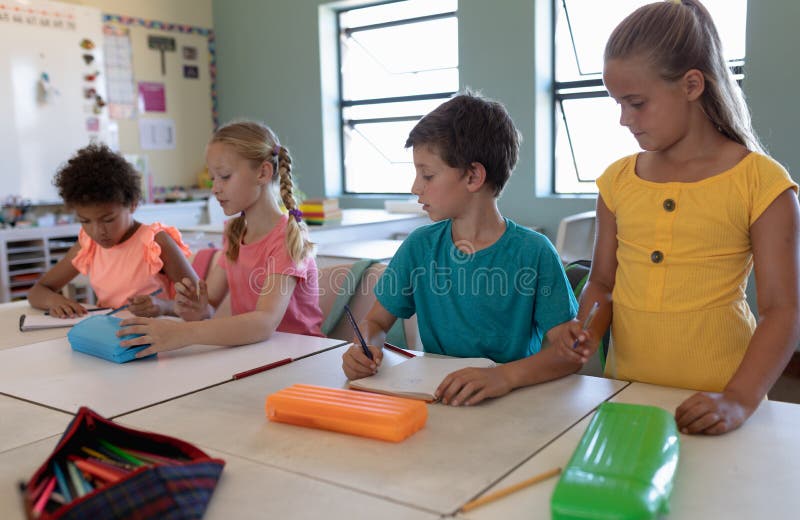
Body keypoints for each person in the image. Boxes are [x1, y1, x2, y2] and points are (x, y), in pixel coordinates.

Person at [559, 0, 800, 435]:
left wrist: (737, 400)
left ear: (691, 85)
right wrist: (586, 330)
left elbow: (783, 311)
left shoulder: (761, 182)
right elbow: (602, 284)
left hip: (722, 401)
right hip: (627, 395)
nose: (623, 119)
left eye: (636, 103)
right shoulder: (617, 181)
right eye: (618, 103)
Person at [341, 93, 581, 406]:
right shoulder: (419, 246)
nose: (415, 187)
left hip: (516, 405)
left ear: (472, 176)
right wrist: (364, 348)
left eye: (427, 175)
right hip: (440, 403)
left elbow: (569, 355)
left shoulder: (534, 253)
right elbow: (374, 323)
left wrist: (505, 377)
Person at [118, 120, 323, 354]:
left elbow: (264, 322)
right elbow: (210, 305)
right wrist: (196, 309)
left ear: (263, 173)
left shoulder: (286, 237)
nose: (215, 188)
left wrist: (184, 333)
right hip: (255, 353)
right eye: (213, 178)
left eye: (224, 176)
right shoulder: (235, 232)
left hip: (300, 356)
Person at [28, 144, 196, 318]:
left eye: (108, 220)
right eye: (85, 221)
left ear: (132, 204)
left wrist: (164, 307)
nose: (97, 231)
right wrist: (56, 301)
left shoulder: (155, 243)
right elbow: (37, 292)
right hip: (112, 335)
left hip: (158, 335)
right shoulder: (88, 246)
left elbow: (201, 306)